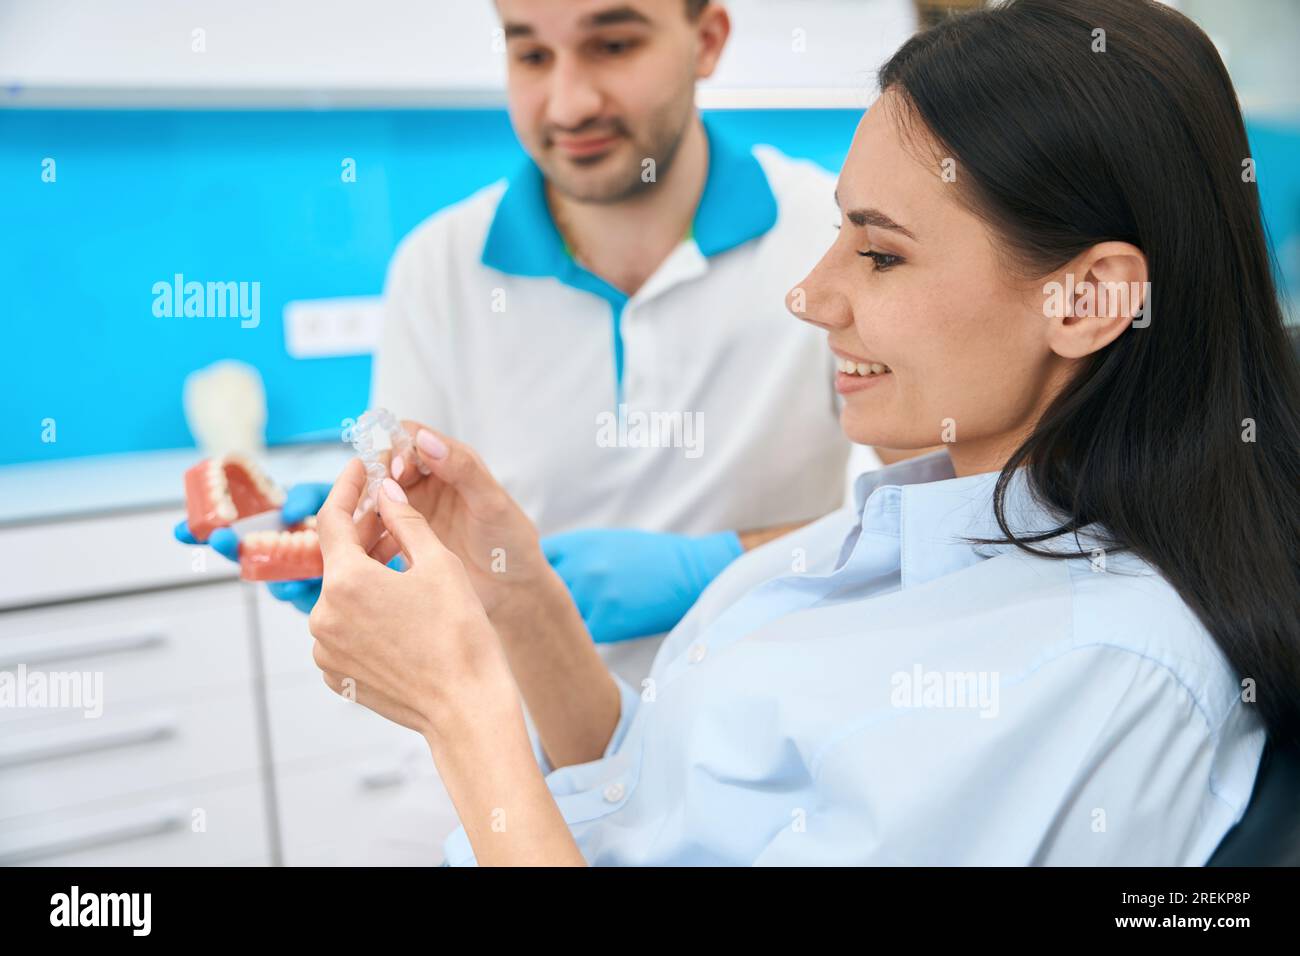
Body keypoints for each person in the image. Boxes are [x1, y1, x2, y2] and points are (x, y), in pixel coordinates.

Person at [302, 0, 1300, 865]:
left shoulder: (1098, 670)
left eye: (878, 253)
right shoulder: (906, 522)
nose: (809, 293)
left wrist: (461, 711)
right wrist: (517, 592)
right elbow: (652, 804)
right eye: (837, 233)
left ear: (1085, 297)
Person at [178, 0, 922, 680]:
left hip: (771, 718)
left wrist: (728, 564)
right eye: (531, 55)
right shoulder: (439, 266)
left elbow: (936, 512)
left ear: (707, 40)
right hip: (523, 732)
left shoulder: (830, 241)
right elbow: (419, 519)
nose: (568, 104)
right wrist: (357, 545)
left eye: (613, 45)